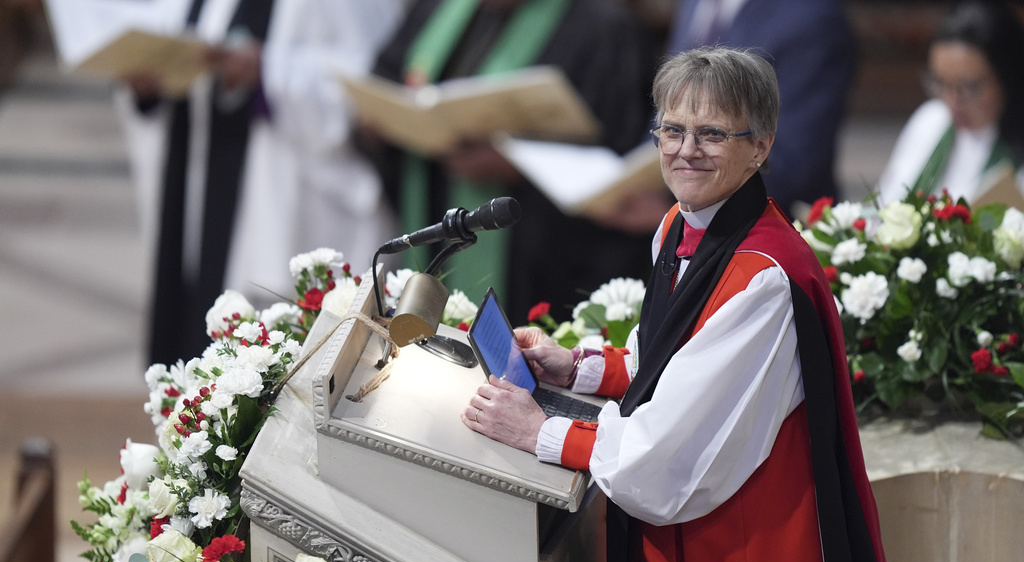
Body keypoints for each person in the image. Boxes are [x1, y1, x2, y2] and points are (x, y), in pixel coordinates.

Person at [462, 47, 915, 562]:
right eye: (672, 130)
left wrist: (539, 431)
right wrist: (578, 369)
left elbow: (662, 457)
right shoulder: (683, 224)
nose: (686, 150)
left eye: (712, 134)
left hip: (739, 558)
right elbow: (670, 359)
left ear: (761, 145)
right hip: (690, 536)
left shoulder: (762, 277)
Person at [117, 0, 403, 365]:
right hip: (198, 190)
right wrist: (149, 80)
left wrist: (269, 71)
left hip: (293, 209)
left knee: (276, 367)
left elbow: (372, 82)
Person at [367, 0, 657, 325]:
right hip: (434, 199)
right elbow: (387, 75)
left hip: (532, 251)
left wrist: (517, 162)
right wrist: (387, 120)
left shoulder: (603, 27)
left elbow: (619, 154)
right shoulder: (440, 7)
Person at [666, 0, 856, 216]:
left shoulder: (810, 17)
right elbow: (669, 105)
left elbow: (793, 163)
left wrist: (672, 204)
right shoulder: (697, 4)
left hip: (769, 219)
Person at [877, 0, 1024, 205]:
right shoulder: (931, 119)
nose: (952, 101)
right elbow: (884, 203)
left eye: (968, 88)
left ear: (1006, 77)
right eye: (940, 83)